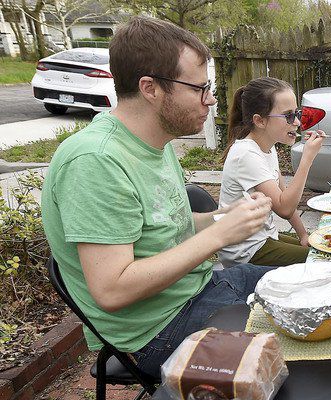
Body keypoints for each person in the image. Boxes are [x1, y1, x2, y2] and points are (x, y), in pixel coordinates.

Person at [41, 16, 275, 378]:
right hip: (158, 331)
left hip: (202, 287)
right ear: (150, 88)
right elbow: (112, 289)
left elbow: (167, 225)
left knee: (322, 287)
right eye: (200, 88)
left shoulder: (155, 140)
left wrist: (224, 217)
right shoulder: (95, 161)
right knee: (300, 347)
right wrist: (219, 235)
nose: (211, 100)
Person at [219, 77, 325, 267]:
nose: (298, 122)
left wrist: (303, 235)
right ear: (259, 121)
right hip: (245, 251)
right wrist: (307, 159)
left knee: (323, 248)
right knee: (323, 260)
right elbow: (284, 208)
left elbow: (284, 197)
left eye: (296, 113)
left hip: (263, 238)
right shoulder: (246, 154)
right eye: (288, 116)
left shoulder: (267, 147)